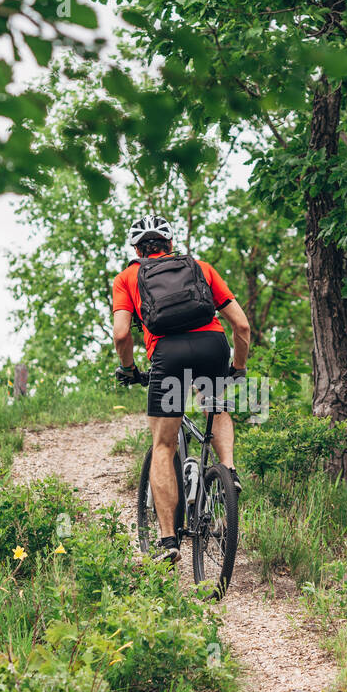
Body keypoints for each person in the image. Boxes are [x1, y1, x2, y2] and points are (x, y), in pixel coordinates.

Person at [111, 215, 251, 563]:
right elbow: (243, 325)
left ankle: (168, 541)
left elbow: (121, 334)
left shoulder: (128, 278)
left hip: (168, 355)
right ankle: (228, 470)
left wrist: (129, 369)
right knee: (215, 404)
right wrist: (239, 367)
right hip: (212, 345)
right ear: (170, 245)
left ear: (137, 250)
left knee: (163, 444)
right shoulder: (201, 268)